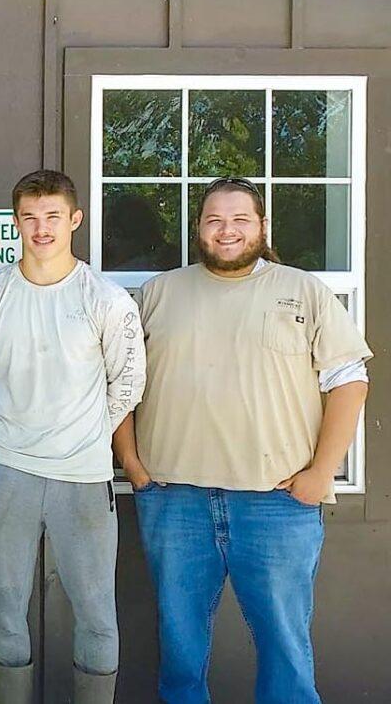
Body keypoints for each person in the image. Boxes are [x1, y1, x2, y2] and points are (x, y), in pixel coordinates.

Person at [114, 176, 371, 704]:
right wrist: (132, 463)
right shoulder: (159, 293)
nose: (226, 230)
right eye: (214, 220)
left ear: (261, 226)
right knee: (181, 651)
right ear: (198, 228)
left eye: (239, 219)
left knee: (285, 649)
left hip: (276, 502)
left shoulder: (303, 291)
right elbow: (119, 382)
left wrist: (321, 474)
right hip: (174, 499)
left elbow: (348, 382)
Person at [0, 169, 145, 704]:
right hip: (10, 472)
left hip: (84, 477)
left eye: (53, 217)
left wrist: (85, 433)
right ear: (16, 222)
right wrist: (9, 432)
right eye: (30, 217)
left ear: (75, 220)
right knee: (5, 606)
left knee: (96, 612)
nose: (42, 229)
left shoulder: (106, 299)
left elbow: (128, 381)